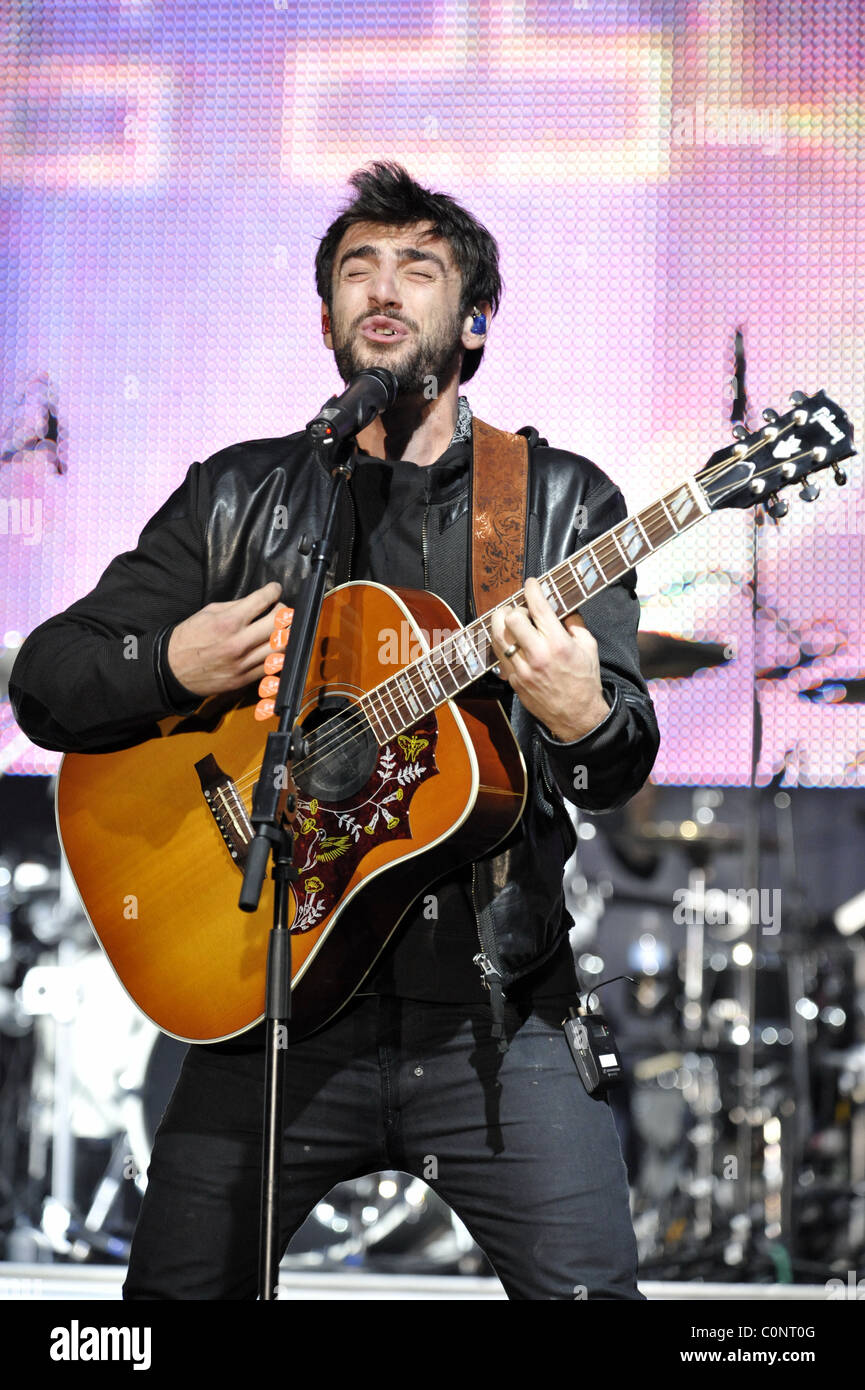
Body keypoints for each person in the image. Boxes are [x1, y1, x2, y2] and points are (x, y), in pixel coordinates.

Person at [10, 160, 660, 1300]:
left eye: (419, 268)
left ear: (474, 325)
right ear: (325, 322)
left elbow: (618, 758)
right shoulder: (238, 496)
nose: (383, 288)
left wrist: (583, 714)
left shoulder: (555, 504)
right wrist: (171, 662)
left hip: (496, 1020)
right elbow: (48, 681)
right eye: (358, 268)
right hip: (266, 1011)